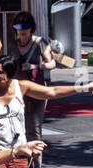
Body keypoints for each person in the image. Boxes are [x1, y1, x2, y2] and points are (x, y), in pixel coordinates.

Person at [6, 10, 56, 142]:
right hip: (18, 90)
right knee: (18, 127)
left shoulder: (40, 42)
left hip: (36, 89)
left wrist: (36, 66)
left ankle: (36, 162)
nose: (22, 31)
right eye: (19, 28)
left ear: (31, 28)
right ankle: (22, 161)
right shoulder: (13, 45)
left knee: (34, 129)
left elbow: (52, 64)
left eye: (26, 28)